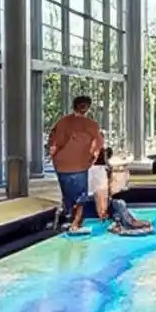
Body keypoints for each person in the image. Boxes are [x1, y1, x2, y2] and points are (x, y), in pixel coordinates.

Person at [48, 95, 104, 232]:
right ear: (87, 107)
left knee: (68, 195)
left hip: (62, 166)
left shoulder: (62, 122)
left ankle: (68, 217)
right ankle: (76, 222)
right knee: (80, 197)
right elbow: (97, 145)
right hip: (79, 166)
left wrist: (54, 156)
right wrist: (91, 159)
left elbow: (54, 143)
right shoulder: (91, 125)